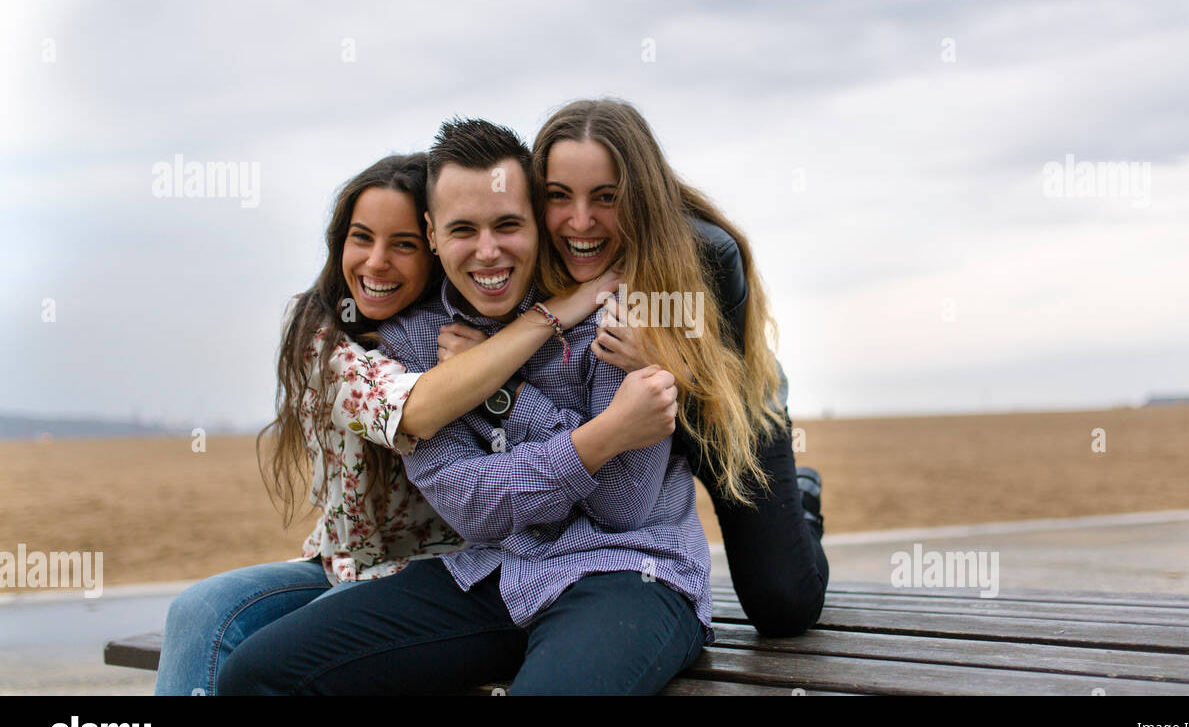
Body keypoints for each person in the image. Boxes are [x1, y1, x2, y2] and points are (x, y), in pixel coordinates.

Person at [216, 118, 710, 695]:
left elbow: (623, 506)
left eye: (507, 225)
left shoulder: (614, 315)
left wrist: (509, 405)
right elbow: (471, 505)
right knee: (259, 676)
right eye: (462, 230)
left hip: (629, 572)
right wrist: (578, 428)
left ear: (536, 220)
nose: (487, 251)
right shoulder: (415, 341)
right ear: (430, 232)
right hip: (492, 574)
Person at [154, 153, 615, 695]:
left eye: (402, 245)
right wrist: (552, 315)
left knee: (296, 656)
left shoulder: (451, 325)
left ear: (433, 248)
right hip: (344, 562)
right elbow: (415, 407)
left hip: (449, 571)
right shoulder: (321, 327)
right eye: (361, 237)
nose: (377, 262)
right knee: (198, 609)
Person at [532, 98, 829, 637]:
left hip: (724, 411)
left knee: (783, 605)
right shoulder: (527, 251)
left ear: (641, 196)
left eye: (607, 197)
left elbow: (731, 395)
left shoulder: (709, 255)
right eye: (558, 196)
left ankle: (801, 499)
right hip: (628, 436)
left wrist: (663, 364)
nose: (580, 222)